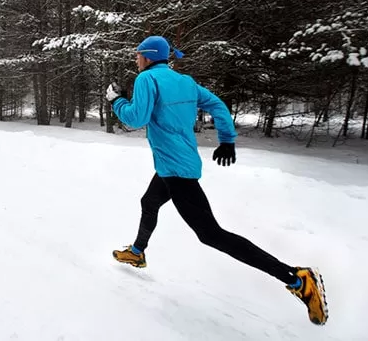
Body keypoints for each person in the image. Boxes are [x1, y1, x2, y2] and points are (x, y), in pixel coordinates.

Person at [105, 35, 328, 326]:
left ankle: (298, 279)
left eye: (137, 55)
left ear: (147, 57)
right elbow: (219, 106)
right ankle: (137, 252)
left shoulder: (148, 79)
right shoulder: (184, 81)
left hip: (176, 172)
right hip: (175, 164)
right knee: (149, 201)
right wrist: (227, 140)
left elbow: (136, 119)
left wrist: (116, 100)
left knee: (211, 234)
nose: (136, 60)